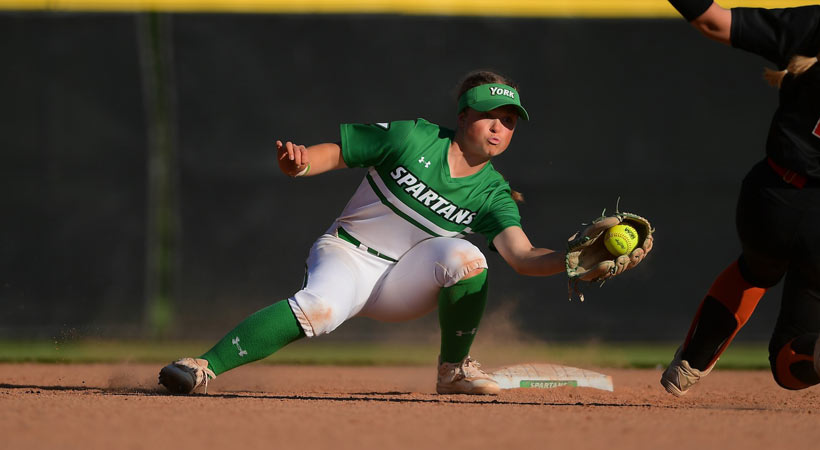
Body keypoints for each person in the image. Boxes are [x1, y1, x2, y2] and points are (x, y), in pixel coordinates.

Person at [158, 70, 627, 396]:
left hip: (406, 283)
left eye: (509, 122)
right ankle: (204, 366)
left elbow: (522, 256)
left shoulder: (494, 193)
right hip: (347, 255)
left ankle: (453, 371)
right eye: (491, 116)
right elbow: (339, 153)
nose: (500, 127)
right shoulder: (412, 138)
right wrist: (299, 166)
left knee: (468, 257)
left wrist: (571, 258)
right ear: (463, 116)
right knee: (319, 309)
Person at [661, 0, 820, 395]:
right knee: (790, 363)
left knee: (756, 270)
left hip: (774, 197)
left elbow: (712, 21)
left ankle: (691, 362)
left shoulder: (812, 22)